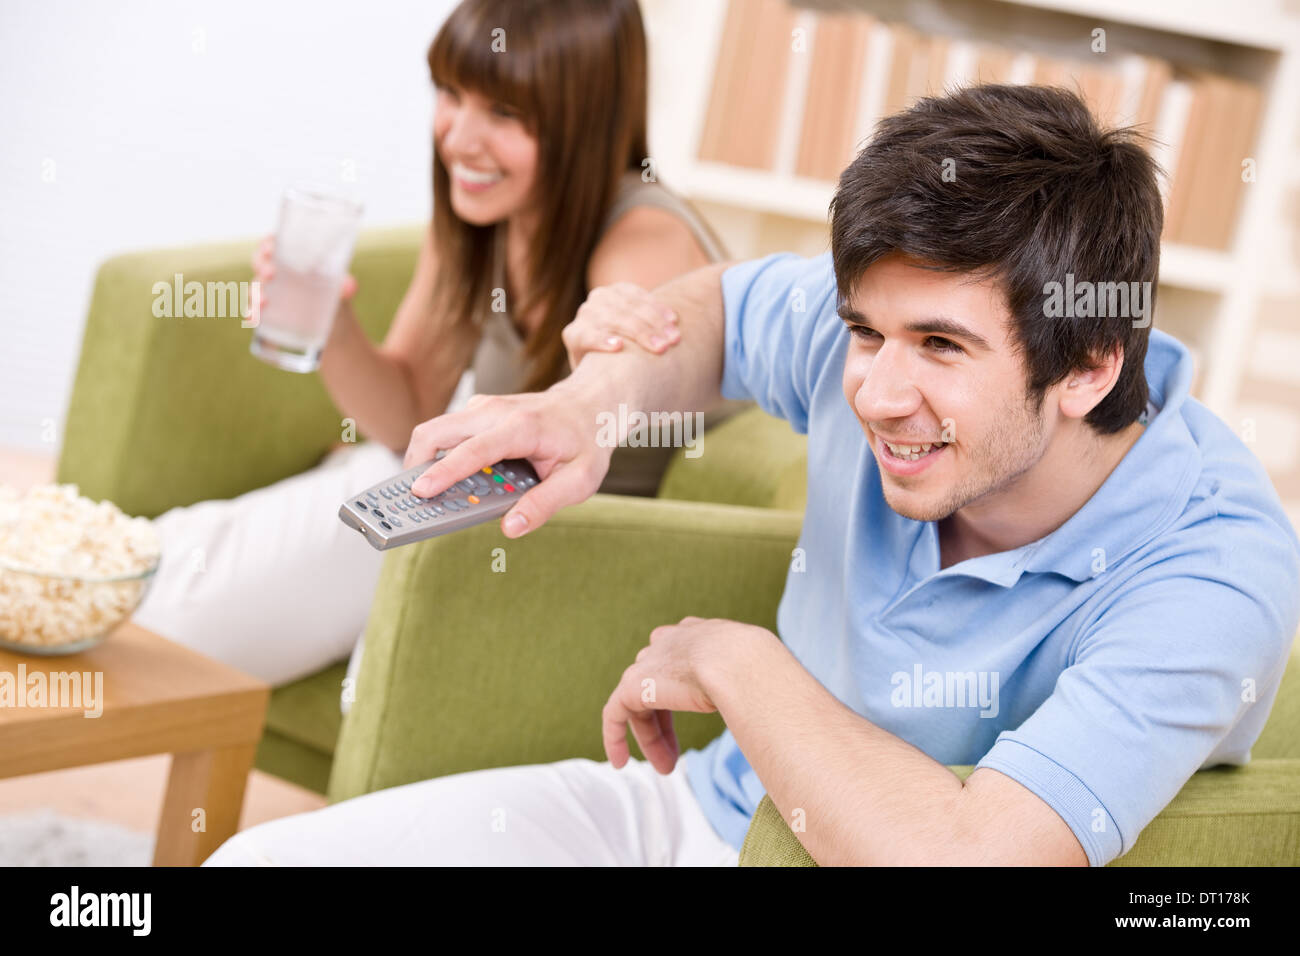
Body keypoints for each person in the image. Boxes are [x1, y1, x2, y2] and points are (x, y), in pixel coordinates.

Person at [204, 84, 1300, 866]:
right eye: (864, 331)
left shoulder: (1211, 566)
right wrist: (588, 406)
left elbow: (973, 859)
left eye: (942, 346)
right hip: (688, 820)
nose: (873, 389)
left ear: (1091, 363)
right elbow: (717, 307)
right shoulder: (867, 350)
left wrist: (735, 662)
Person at [133, 0, 738, 689]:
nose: (458, 138)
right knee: (162, 563)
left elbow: (616, 386)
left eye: (505, 112)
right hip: (454, 502)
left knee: (181, 612)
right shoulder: (483, 217)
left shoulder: (643, 240)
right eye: (451, 94)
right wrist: (332, 326)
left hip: (554, 545)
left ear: (586, 123)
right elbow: (404, 414)